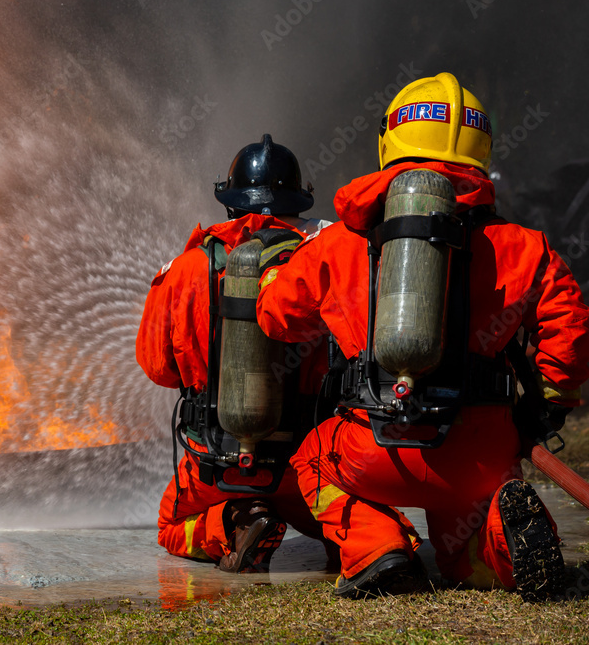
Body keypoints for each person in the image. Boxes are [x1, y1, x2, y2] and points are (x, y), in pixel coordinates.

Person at [256, 72, 589, 599]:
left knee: (309, 462)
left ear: (390, 142)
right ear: (480, 147)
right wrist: (549, 402)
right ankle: (497, 542)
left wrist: (275, 273)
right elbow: (569, 327)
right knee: (463, 540)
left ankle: (377, 548)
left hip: (374, 450)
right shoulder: (525, 246)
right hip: (479, 457)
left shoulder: (339, 243)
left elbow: (276, 319)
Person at [137, 135, 338, 573]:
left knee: (172, 525)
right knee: (353, 518)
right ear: (298, 202)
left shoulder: (185, 269)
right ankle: (365, 541)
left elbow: (158, 368)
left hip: (217, 464)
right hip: (306, 465)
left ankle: (236, 523)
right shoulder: (322, 263)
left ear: (229, 202)